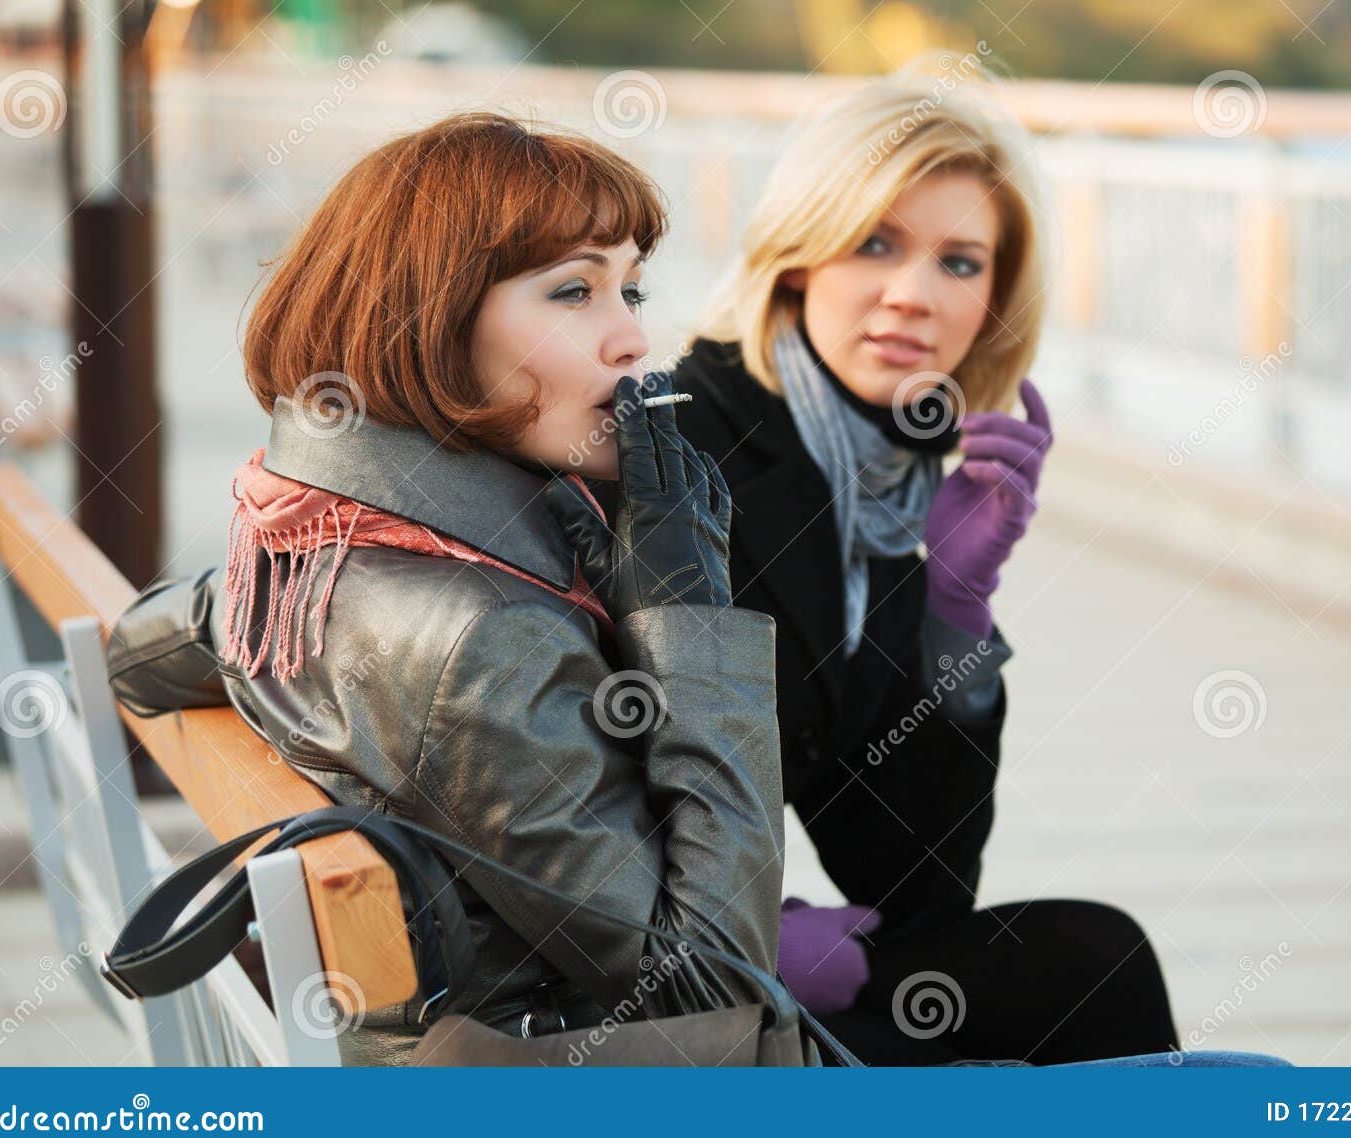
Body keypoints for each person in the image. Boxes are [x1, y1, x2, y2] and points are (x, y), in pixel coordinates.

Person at [103, 113, 787, 1066]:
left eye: (630, 287)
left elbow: (134, 652)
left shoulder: (318, 543)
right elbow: (719, 993)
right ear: (428, 320)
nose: (633, 339)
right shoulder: (482, 634)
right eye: (573, 291)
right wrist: (691, 620)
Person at [665, 75, 1181, 1065]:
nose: (913, 292)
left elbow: (916, 893)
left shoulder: (877, 503)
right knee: (1091, 974)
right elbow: (564, 778)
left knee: (1088, 958)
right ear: (798, 255)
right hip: (639, 1004)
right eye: (875, 242)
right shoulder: (688, 450)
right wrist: (755, 934)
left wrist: (955, 613)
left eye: (958, 260)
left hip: (731, 970)